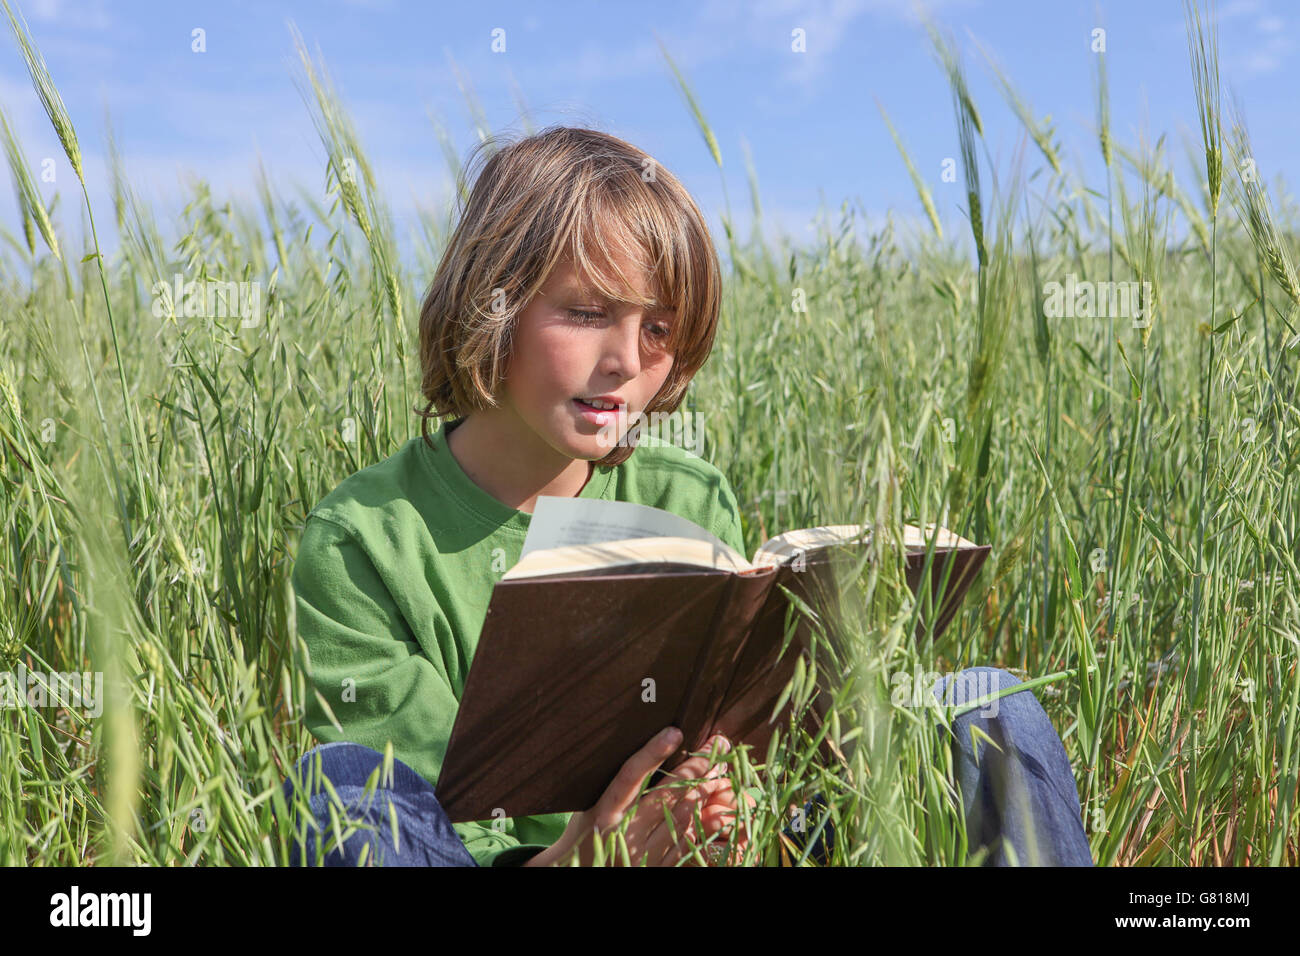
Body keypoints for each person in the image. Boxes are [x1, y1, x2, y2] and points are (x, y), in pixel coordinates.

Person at [280, 125, 1092, 867]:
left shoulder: (685, 494)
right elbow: (427, 830)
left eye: (659, 330)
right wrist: (591, 854)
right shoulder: (363, 541)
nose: (627, 361)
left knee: (985, 704)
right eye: (587, 312)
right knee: (342, 783)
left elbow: (738, 739)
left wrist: (740, 794)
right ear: (492, 303)